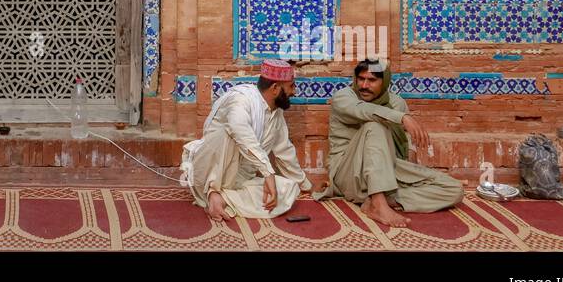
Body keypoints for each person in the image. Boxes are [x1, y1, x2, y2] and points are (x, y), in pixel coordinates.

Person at [315, 59, 463, 227]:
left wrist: (411, 172)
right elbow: (363, 111)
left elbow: (406, 141)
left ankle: (381, 199)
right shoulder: (344, 97)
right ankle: (378, 204)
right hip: (348, 172)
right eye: (361, 79)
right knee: (375, 126)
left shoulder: (396, 103)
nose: (364, 85)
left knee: (453, 190)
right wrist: (402, 117)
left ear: (384, 81)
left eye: (372, 80)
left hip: (386, 168)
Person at [183, 59, 311, 221]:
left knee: (289, 189)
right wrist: (267, 172)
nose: (295, 92)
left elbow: (284, 152)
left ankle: (221, 199)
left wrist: (306, 185)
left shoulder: (275, 114)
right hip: (212, 172)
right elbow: (239, 130)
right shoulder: (241, 99)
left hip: (241, 180)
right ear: (275, 88)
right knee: (228, 131)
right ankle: (212, 191)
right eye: (291, 86)